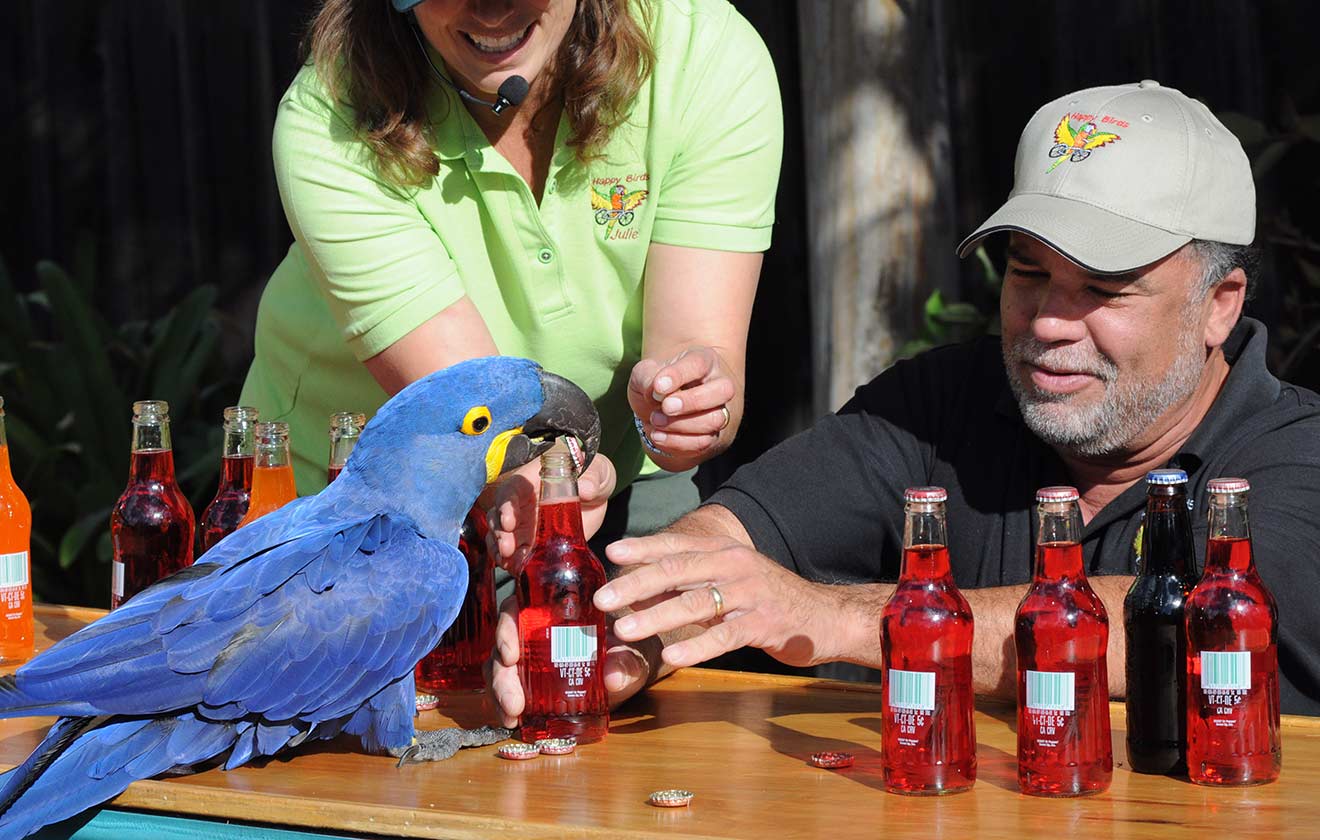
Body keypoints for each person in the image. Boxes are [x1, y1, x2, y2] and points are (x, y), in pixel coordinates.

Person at [488, 80, 1320, 720]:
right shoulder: (944, 399)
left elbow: (1179, 625)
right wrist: (624, 628)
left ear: (1221, 304)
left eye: (1104, 288)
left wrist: (832, 616)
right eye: (1028, 273)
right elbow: (745, 527)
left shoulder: (1299, 456)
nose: (1050, 322)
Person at [240, 0, 783, 546]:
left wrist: (684, 410)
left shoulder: (702, 55)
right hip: (342, 505)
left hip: (611, 481)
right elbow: (473, 415)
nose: (491, 9)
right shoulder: (326, 121)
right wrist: (545, 482)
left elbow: (701, 353)